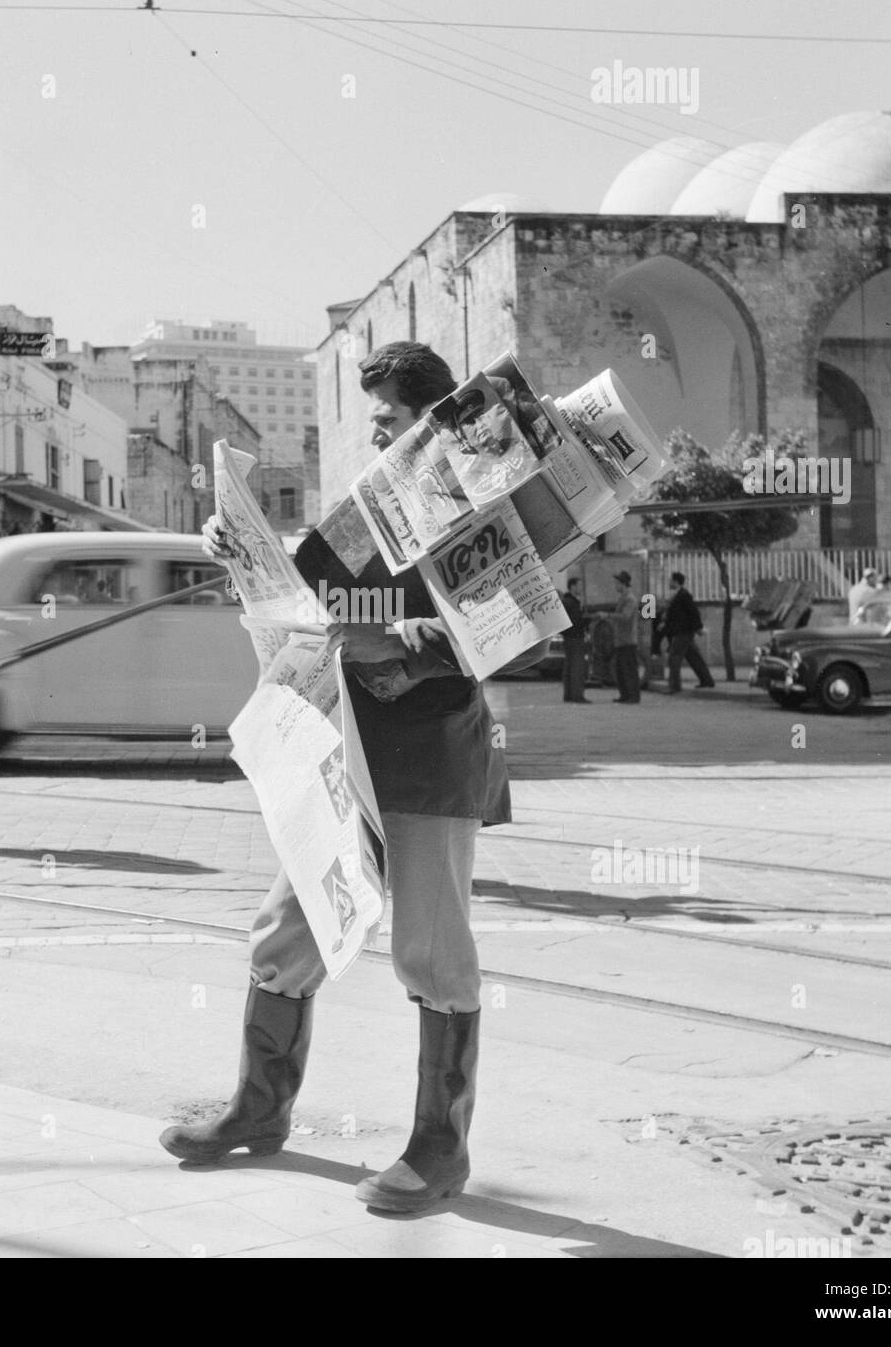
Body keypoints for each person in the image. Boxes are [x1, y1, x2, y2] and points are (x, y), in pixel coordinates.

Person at [160, 341, 548, 1213]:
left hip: (429, 760)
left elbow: (520, 632)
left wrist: (395, 641)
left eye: (388, 422)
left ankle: (439, 1152)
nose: (378, 440)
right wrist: (240, 557)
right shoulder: (361, 514)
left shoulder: (480, 515)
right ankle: (260, 1109)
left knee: (432, 953)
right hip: (344, 756)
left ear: (432, 425)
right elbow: (301, 602)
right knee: (285, 935)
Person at [662, 572, 715, 693]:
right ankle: (707, 680)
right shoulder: (677, 595)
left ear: (676, 582)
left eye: (671, 580)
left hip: (683, 632)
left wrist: (698, 627)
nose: (669, 583)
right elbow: (676, 615)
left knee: (674, 658)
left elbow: (693, 612)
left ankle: (674, 686)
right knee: (694, 656)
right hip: (682, 631)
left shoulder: (684, 595)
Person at [611, 570, 641, 703]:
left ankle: (633, 696)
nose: (615, 586)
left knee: (629, 670)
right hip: (621, 640)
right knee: (621, 670)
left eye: (617, 583)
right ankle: (625, 695)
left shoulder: (630, 599)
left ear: (623, 584)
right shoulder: (623, 598)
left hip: (628, 641)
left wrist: (608, 615)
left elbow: (625, 617)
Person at [560, 576, 588, 703]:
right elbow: (577, 621)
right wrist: (587, 620)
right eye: (579, 586)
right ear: (572, 587)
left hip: (568, 638)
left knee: (570, 667)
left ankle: (569, 694)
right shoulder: (572, 603)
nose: (581, 588)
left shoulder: (566, 601)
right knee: (577, 667)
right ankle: (577, 695)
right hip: (576, 637)